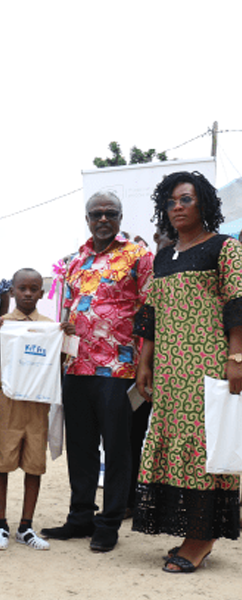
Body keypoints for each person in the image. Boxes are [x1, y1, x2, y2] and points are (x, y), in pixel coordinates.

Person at [133, 171, 242, 573]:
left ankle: (201, 538)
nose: (177, 207)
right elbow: (151, 316)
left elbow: (238, 304)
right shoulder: (164, 257)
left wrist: (237, 358)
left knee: (205, 447)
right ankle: (193, 532)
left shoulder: (224, 248)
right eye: (171, 202)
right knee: (175, 447)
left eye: (186, 200)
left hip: (208, 366)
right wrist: (144, 364)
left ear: (204, 204)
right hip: (169, 372)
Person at [41, 191, 153, 553]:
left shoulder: (138, 256)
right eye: (96, 214)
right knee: (80, 446)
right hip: (77, 367)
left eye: (110, 213)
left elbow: (151, 310)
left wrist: (145, 364)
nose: (103, 219)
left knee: (117, 448)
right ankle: (80, 518)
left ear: (120, 217)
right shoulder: (76, 260)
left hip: (119, 368)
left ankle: (109, 522)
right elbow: (69, 308)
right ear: (87, 219)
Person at [0, 268, 74, 551]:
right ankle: (1, 524)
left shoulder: (50, 327)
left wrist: (64, 340)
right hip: (8, 402)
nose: (27, 294)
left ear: (41, 293)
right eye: (22, 288)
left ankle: (26, 526)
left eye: (33, 289)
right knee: (1, 463)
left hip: (38, 404)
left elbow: (56, 366)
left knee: (34, 465)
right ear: (12, 291)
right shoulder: (3, 324)